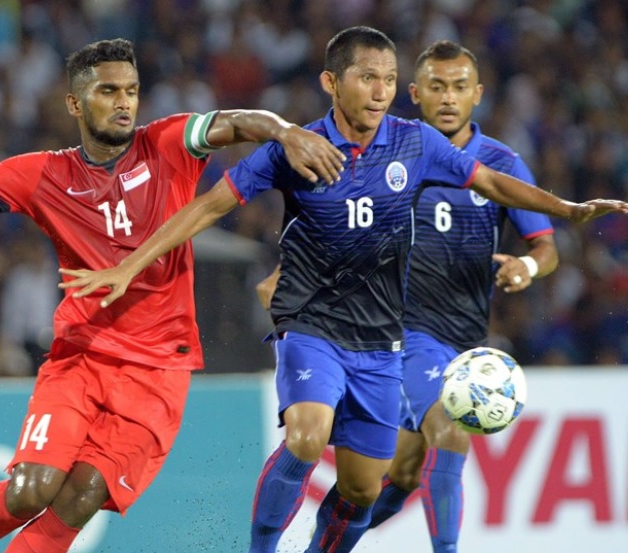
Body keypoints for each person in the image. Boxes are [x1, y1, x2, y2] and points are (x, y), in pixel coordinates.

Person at [58, 27, 628, 553]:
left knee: (363, 488)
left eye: (387, 79)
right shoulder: (297, 148)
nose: (380, 91)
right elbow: (210, 205)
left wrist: (566, 208)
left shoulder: (416, 143)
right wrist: (131, 265)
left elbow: (487, 180)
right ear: (332, 82)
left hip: (380, 341)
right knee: (308, 435)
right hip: (311, 324)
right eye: (367, 77)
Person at [0, 38, 346, 553]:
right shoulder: (44, 174)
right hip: (82, 357)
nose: (124, 102)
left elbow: (233, 122)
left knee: (82, 497)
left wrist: (284, 131)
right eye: (108, 91)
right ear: (76, 103)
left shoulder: (167, 143)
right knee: (31, 490)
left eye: (132, 90)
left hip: (158, 369)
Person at [257, 39, 560, 551]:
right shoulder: (393, 150)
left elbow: (546, 247)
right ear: (415, 94)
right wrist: (286, 273)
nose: (448, 98)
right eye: (437, 87)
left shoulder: (500, 162)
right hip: (401, 329)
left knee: (396, 476)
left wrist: (527, 266)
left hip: (461, 335)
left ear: (478, 94)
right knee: (450, 429)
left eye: (460, 87)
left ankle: (323, 545)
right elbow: (333, 226)